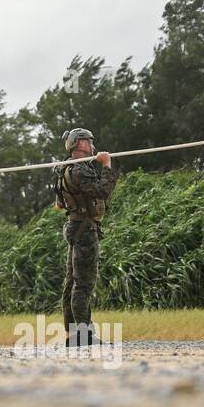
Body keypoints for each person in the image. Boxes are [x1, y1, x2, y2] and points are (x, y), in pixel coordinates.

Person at [53, 128, 118, 347]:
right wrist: (107, 165)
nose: (93, 145)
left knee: (71, 283)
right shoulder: (79, 169)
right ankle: (84, 335)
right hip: (85, 230)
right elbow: (103, 191)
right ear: (80, 144)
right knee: (82, 285)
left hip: (75, 226)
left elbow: (59, 203)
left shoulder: (64, 170)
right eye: (90, 141)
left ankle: (73, 336)